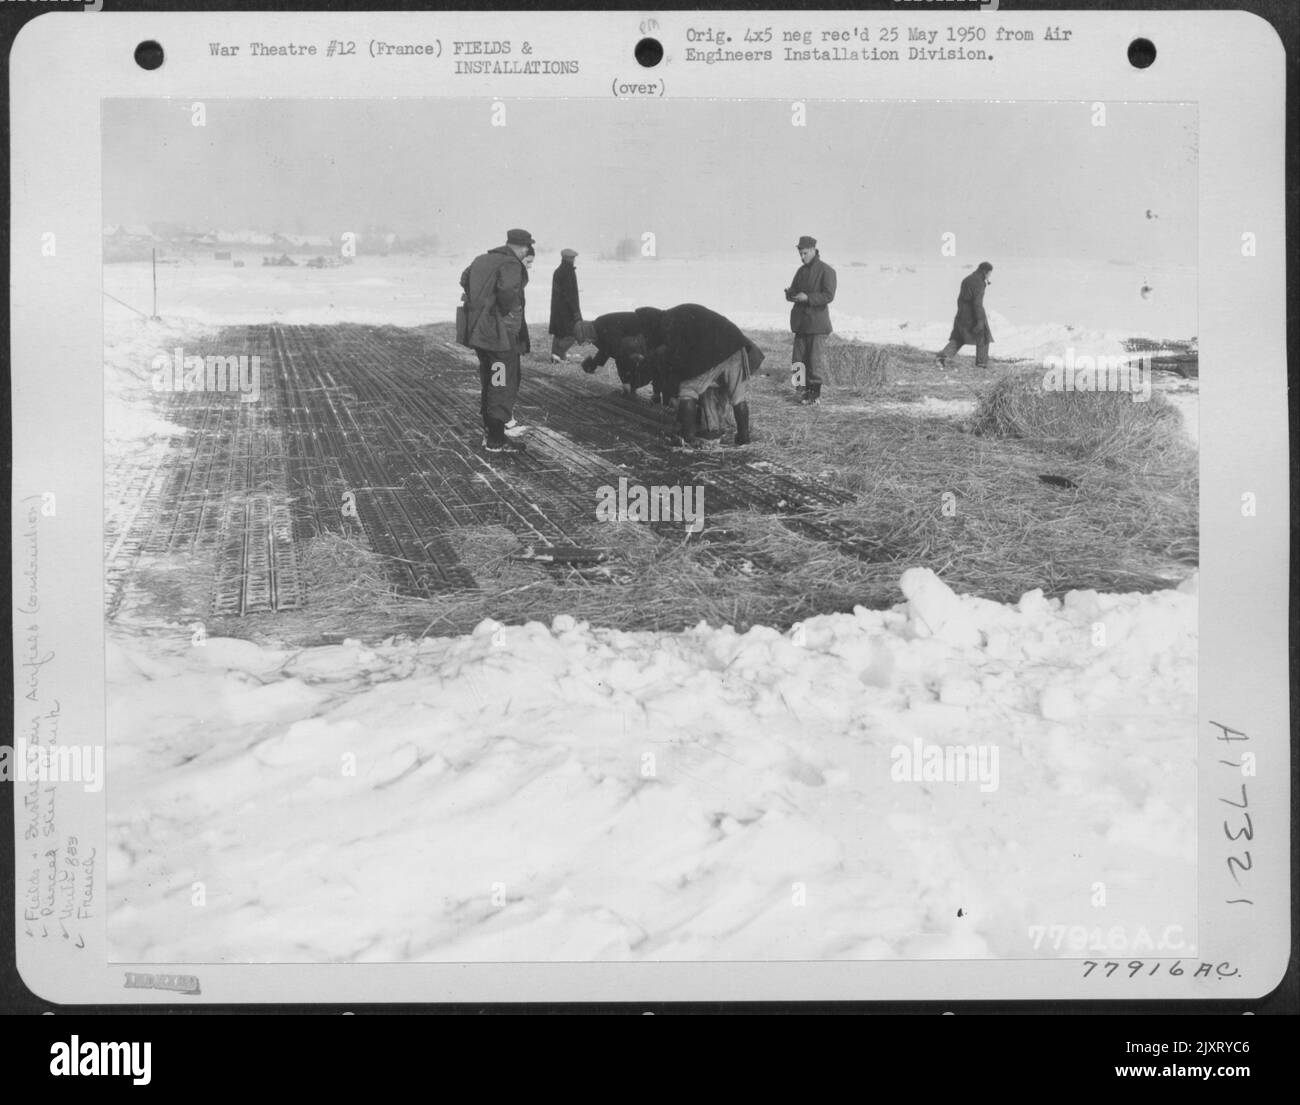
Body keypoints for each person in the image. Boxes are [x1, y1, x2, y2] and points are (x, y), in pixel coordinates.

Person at [459, 228, 533, 452]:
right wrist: (499, 312)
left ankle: (490, 432)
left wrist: (481, 304)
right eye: (527, 249)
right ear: (522, 248)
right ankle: (496, 440)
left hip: (480, 335)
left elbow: (464, 278)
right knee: (501, 382)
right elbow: (508, 291)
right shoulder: (511, 263)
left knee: (491, 381)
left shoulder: (482, 259)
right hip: (499, 338)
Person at [645, 303, 758, 448]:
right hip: (737, 346)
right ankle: (744, 438)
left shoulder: (667, 323)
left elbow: (678, 358)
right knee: (738, 397)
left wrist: (674, 391)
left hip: (715, 349)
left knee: (688, 390)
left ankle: (687, 438)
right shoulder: (680, 313)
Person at [785, 235, 837, 404]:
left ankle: (814, 396)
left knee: (814, 362)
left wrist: (807, 298)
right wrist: (790, 293)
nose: (802, 257)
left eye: (805, 253)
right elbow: (794, 289)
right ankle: (800, 392)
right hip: (801, 324)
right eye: (800, 253)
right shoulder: (800, 271)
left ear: (814, 250)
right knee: (798, 361)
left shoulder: (827, 271)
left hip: (817, 325)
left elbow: (828, 296)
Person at [572, 308, 666, 400]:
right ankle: (650, 392)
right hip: (643, 334)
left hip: (650, 330)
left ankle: (656, 394)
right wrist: (594, 364)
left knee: (650, 364)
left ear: (588, 332)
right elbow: (607, 349)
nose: (587, 343)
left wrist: (626, 382)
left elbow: (620, 354)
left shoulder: (603, 328)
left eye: (586, 340)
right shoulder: (598, 329)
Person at [937, 262, 994, 369]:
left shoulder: (967, 279)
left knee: (959, 337)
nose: (989, 276)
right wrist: (980, 320)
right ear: (985, 271)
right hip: (973, 314)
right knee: (984, 336)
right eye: (989, 273)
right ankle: (981, 363)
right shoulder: (979, 283)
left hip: (962, 313)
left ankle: (943, 356)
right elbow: (977, 303)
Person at [548, 248, 582, 363]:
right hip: (566, 310)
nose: (574, 260)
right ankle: (557, 354)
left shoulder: (559, 270)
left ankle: (557, 356)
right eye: (572, 258)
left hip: (558, 309)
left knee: (559, 333)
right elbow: (570, 295)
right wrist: (576, 312)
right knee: (571, 334)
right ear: (567, 258)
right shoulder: (568, 272)